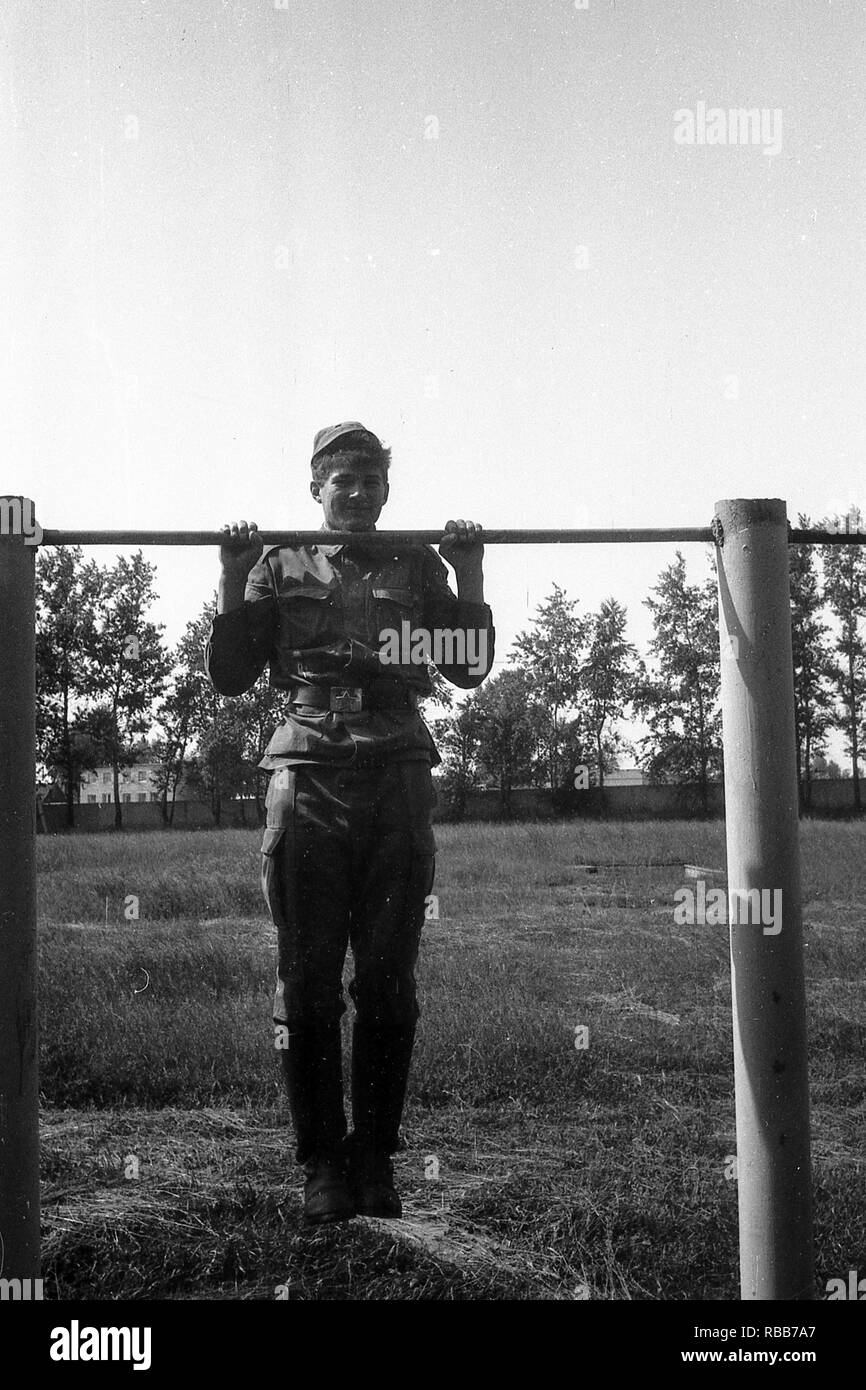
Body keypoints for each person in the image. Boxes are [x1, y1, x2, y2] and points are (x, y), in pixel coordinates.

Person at [205, 422, 494, 1223]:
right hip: (308, 774)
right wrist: (231, 580)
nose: (360, 495)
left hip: (397, 770)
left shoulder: (414, 561)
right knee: (306, 985)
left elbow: (465, 668)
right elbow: (231, 675)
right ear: (316, 490)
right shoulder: (281, 559)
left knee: (388, 982)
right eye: (344, 482)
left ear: (385, 490)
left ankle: (375, 1157)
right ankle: (321, 1163)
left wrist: (469, 575)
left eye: (372, 481)